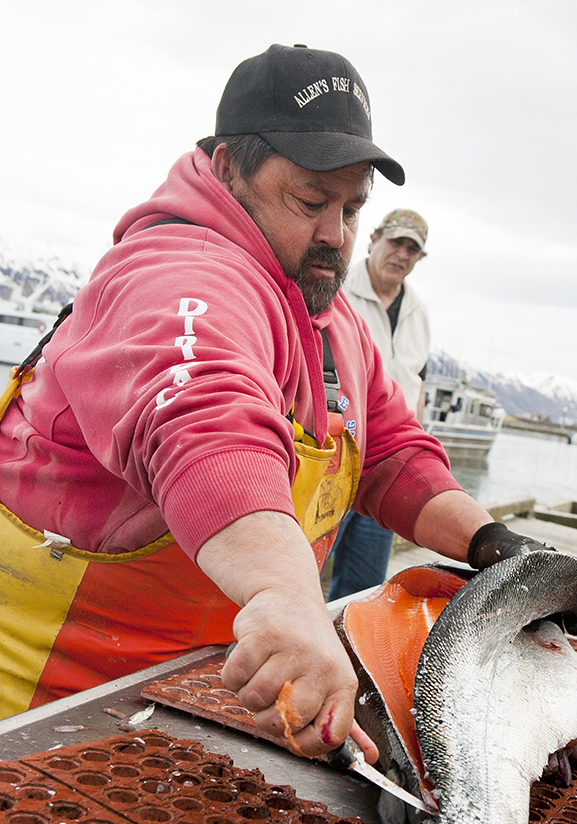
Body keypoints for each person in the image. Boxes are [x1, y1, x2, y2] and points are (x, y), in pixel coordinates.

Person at [0, 43, 547, 759]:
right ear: (228, 169)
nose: (337, 236)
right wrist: (291, 601)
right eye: (311, 201)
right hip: (40, 717)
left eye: (353, 208)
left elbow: (391, 453)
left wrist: (495, 545)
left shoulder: (331, 316)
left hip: (190, 704)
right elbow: (205, 428)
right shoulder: (173, 276)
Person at [328, 208, 431, 601]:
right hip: (335, 457)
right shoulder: (334, 288)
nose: (401, 254)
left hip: (387, 463)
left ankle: (351, 656)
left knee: (366, 588)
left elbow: (416, 380)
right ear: (373, 240)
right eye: (395, 243)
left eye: (412, 249)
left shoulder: (419, 312)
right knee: (304, 572)